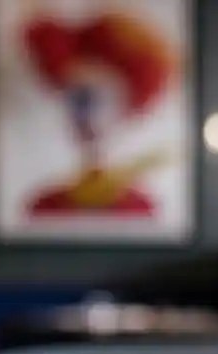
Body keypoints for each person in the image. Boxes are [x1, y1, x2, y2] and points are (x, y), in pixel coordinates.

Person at [22, 11, 177, 216]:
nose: (84, 116)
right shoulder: (45, 207)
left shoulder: (140, 210)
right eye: (77, 98)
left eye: (100, 99)